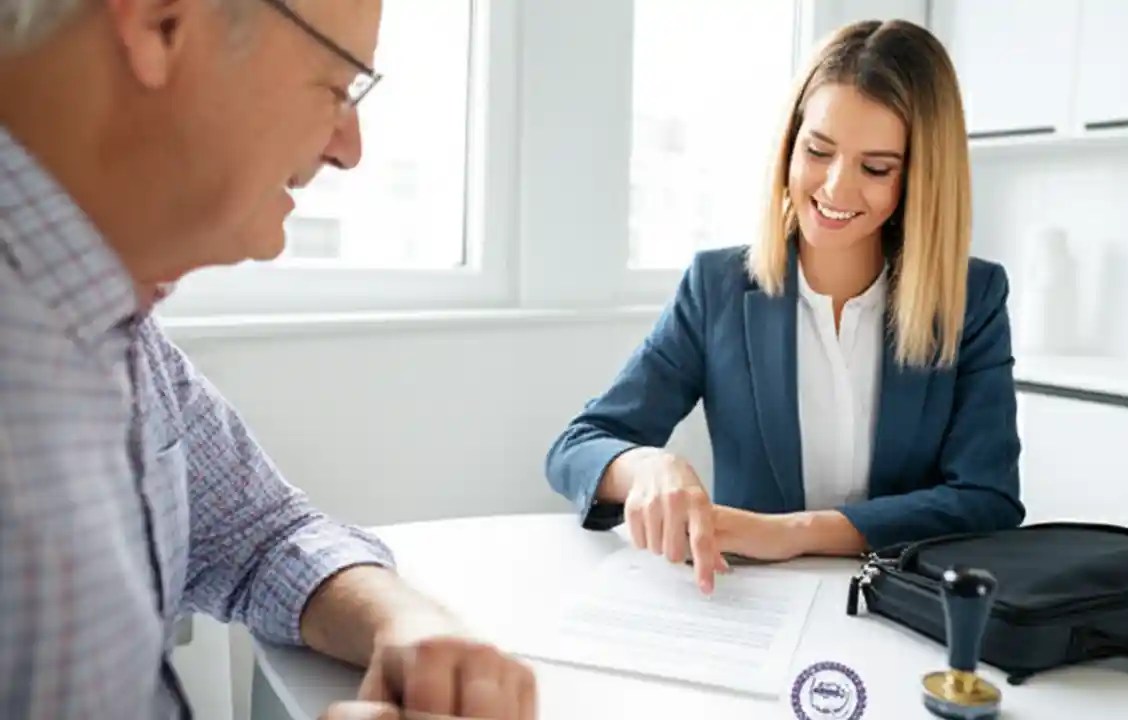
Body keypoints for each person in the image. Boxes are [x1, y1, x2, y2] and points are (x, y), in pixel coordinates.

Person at [0, 1, 534, 718]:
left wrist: (406, 624)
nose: (350, 148)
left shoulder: (112, 329)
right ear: (163, 22)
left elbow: (263, 534)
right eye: (338, 86)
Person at [546, 19, 1024, 595]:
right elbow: (577, 446)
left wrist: (793, 532)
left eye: (876, 168)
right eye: (818, 151)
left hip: (903, 605)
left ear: (920, 180)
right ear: (789, 146)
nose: (836, 189)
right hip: (750, 599)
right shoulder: (717, 286)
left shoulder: (973, 300)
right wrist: (647, 466)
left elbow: (987, 498)